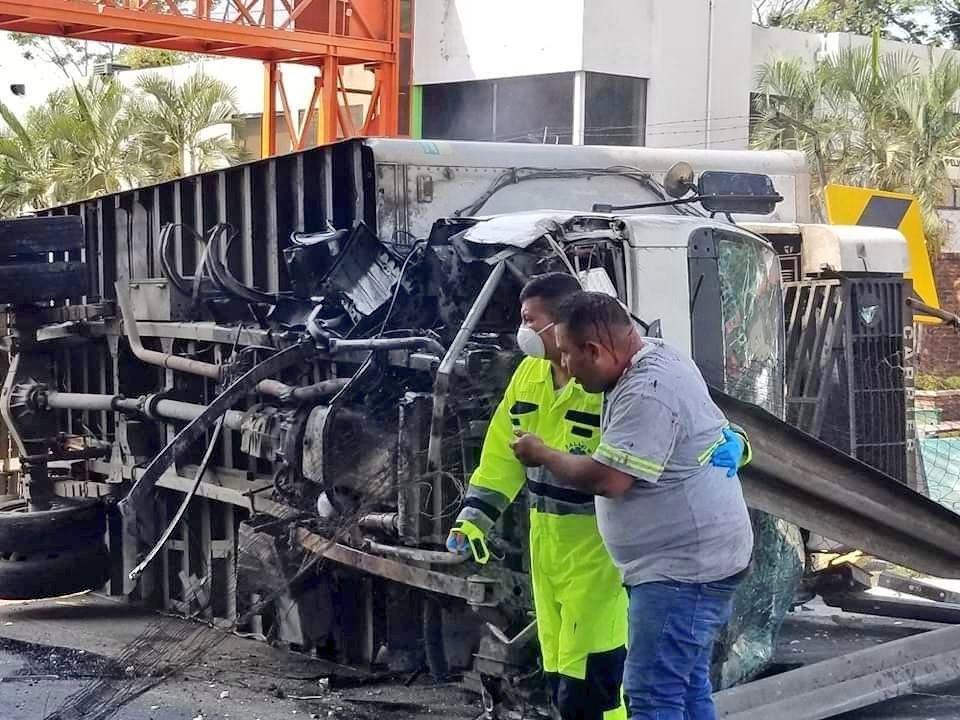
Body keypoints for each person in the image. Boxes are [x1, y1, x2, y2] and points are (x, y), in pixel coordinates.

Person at [448, 275, 748, 720]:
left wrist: (738, 444)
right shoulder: (536, 376)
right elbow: (500, 452)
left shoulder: (626, 382)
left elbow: (617, 474)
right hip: (549, 546)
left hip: (609, 557)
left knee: (612, 686)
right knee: (571, 670)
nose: (523, 331)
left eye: (532, 320)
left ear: (569, 330)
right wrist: (475, 517)